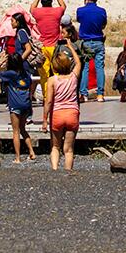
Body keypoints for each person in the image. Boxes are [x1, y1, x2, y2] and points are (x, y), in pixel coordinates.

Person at [45, 39, 84, 170]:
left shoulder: (52, 80)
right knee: (69, 149)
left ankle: (55, 169)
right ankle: (68, 172)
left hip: (57, 114)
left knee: (55, 146)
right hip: (72, 113)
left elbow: (49, 101)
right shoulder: (74, 77)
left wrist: (45, 119)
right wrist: (70, 47)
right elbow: (78, 62)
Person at [1, 42, 36, 162]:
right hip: (26, 104)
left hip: (15, 105)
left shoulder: (11, 74)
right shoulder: (26, 75)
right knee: (23, 129)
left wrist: (0, 63)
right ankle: (31, 151)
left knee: (15, 131)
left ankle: (17, 157)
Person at [75, 0, 108, 102]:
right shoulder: (102, 11)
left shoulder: (80, 10)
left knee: (85, 69)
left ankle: (83, 94)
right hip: (98, 41)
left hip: (86, 42)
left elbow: (79, 20)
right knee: (99, 68)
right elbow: (103, 25)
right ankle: (100, 94)